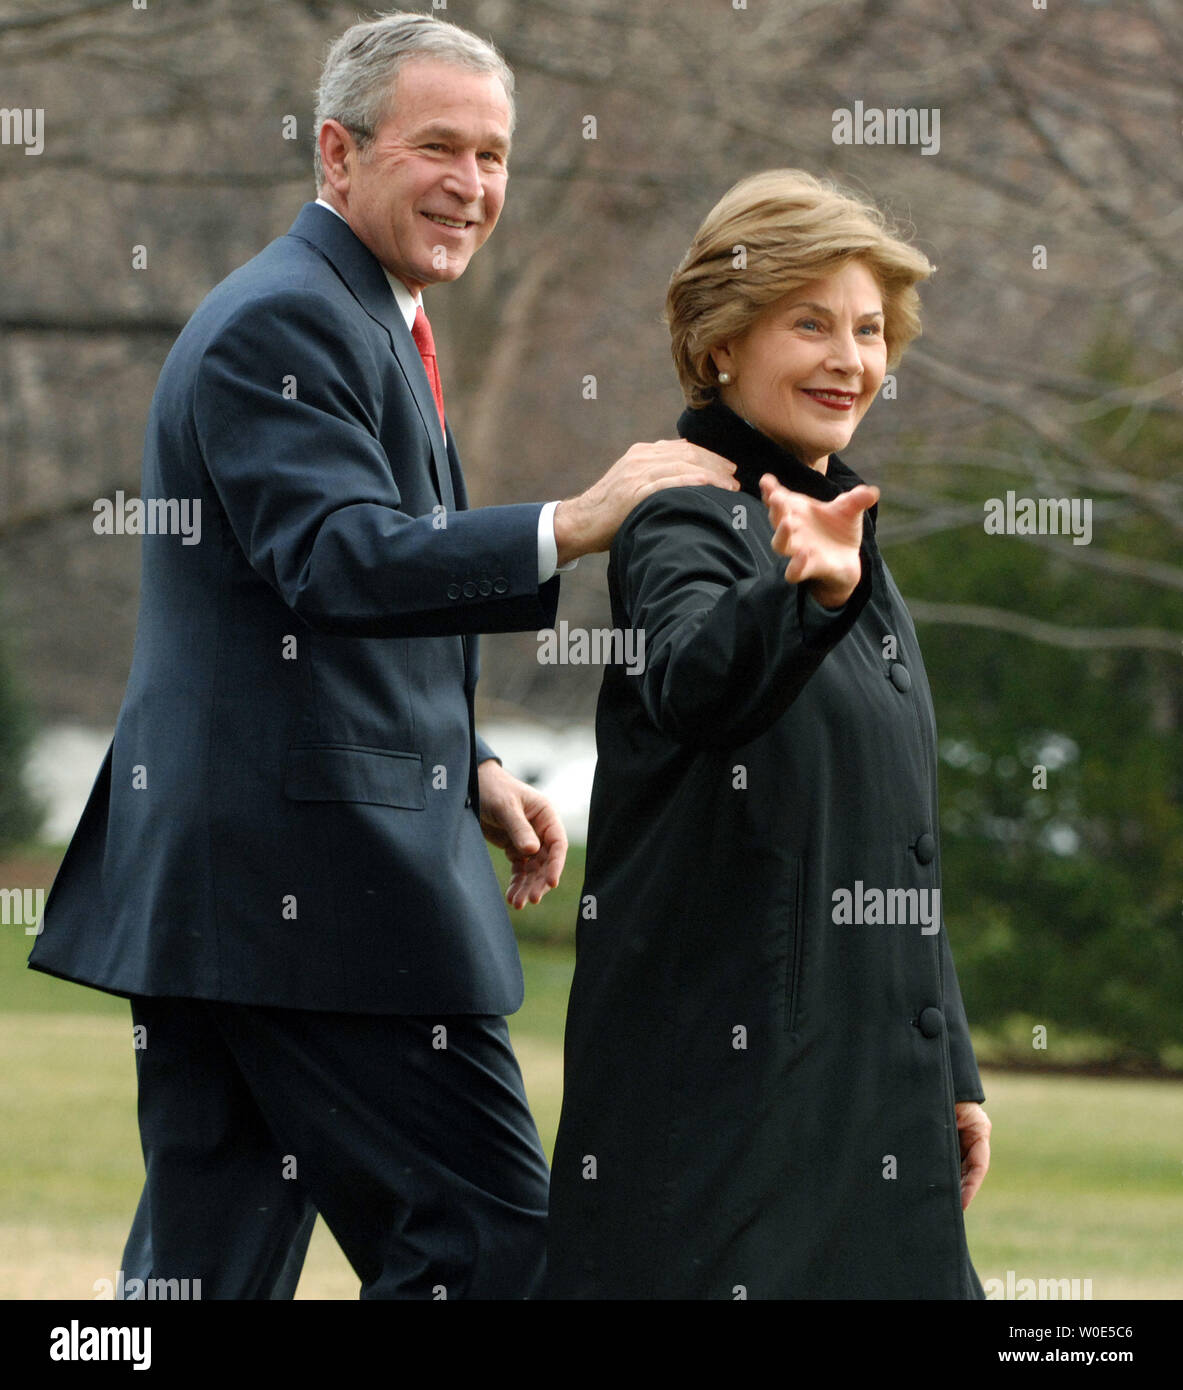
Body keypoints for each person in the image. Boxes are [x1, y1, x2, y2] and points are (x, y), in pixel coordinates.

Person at [27, 11, 735, 1300]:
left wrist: (461, 760)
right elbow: (339, 561)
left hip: (237, 893)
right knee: (492, 1249)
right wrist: (570, 524)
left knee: (201, 1274)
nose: (473, 184)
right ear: (337, 153)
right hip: (314, 900)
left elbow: (288, 616)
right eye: (439, 149)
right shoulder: (285, 325)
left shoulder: (359, 310)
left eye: (496, 154)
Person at [545, 168, 991, 1299]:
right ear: (719, 343)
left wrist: (949, 1063)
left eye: (869, 329)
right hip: (728, 1114)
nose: (850, 358)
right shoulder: (683, 512)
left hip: (869, 1099)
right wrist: (809, 595)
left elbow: (896, 841)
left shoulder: (843, 535)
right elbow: (700, 683)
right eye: (810, 323)